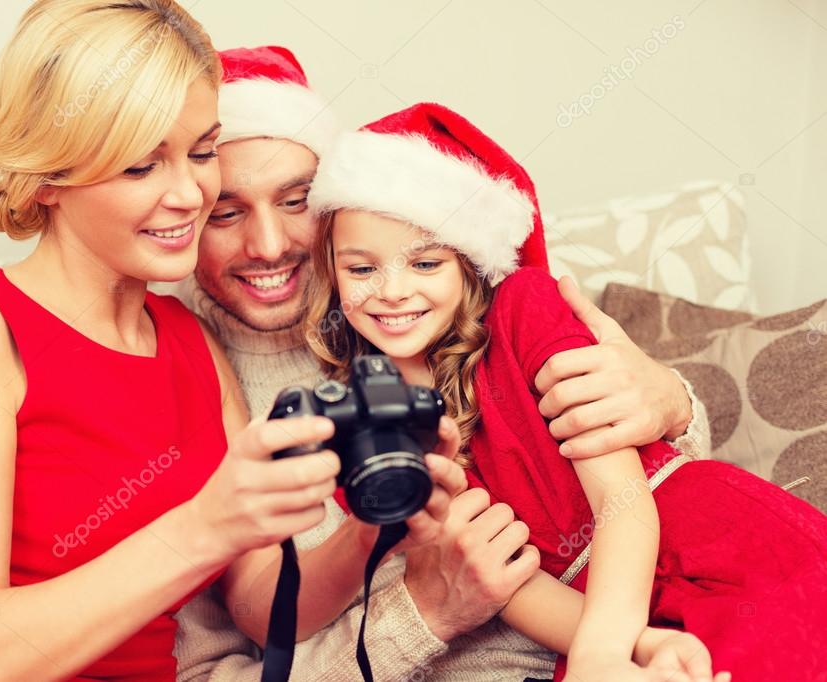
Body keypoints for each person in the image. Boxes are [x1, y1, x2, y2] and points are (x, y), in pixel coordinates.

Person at [0, 4, 462, 680]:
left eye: (201, 151)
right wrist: (204, 526)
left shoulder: (186, 339)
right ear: (47, 176)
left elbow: (258, 602)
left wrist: (371, 526)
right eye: (141, 166)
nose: (192, 193)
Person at [174, 47, 716, 682]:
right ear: (185, 216)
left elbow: (633, 475)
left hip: (622, 620)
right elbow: (228, 659)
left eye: (295, 201)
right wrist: (423, 612)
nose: (268, 246)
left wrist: (672, 402)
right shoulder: (184, 379)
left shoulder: (448, 316)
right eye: (226, 213)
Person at [301, 101, 827, 682]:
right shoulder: (370, 425)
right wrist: (633, 649)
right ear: (330, 271)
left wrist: (603, 650)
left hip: (714, 549)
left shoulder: (526, 309)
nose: (392, 291)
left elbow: (622, 502)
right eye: (362, 269)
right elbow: (509, 581)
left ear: (470, 264)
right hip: (600, 615)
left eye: (426, 263)